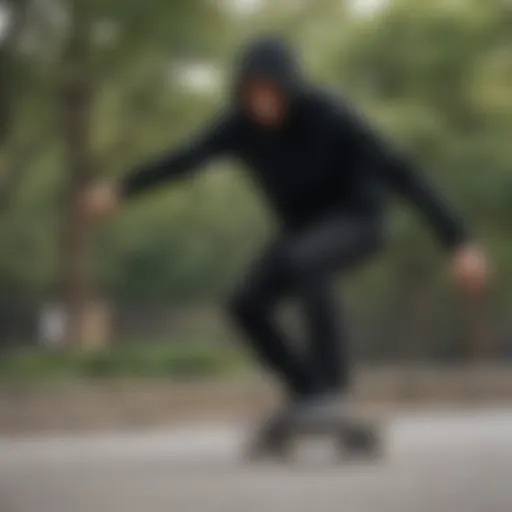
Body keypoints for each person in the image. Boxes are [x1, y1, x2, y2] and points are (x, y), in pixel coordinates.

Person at [84, 36, 487, 447]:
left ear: (289, 88)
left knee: (308, 259)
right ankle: (308, 392)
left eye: (271, 93)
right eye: (252, 94)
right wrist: (123, 189)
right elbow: (186, 158)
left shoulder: (329, 114)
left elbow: (402, 172)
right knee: (246, 303)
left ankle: (332, 391)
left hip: (358, 220)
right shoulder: (237, 126)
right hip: (301, 234)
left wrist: (459, 243)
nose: (263, 105)